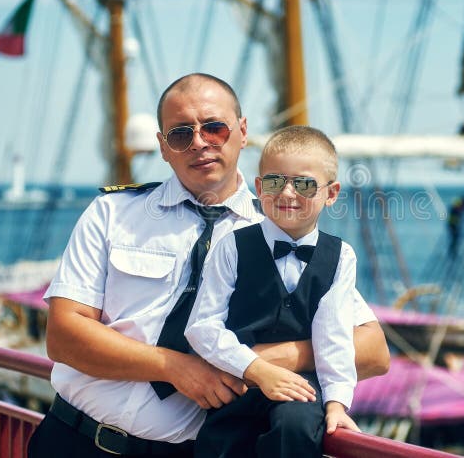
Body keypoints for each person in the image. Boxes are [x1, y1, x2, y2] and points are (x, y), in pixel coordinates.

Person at [27, 73, 389, 457]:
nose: (200, 142)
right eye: (181, 134)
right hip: (71, 439)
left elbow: (372, 350)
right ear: (164, 148)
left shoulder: (280, 231)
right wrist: (173, 366)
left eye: (214, 128)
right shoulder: (113, 213)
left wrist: (249, 363)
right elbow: (63, 335)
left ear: (243, 131)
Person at [185, 126, 358, 458]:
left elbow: (334, 339)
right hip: (239, 382)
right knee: (220, 444)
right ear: (260, 187)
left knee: (295, 429)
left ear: (331, 193)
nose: (288, 194)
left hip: (300, 389)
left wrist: (337, 404)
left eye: (305, 184)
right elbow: (202, 327)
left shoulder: (341, 256)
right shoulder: (232, 246)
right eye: (276, 182)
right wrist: (256, 369)